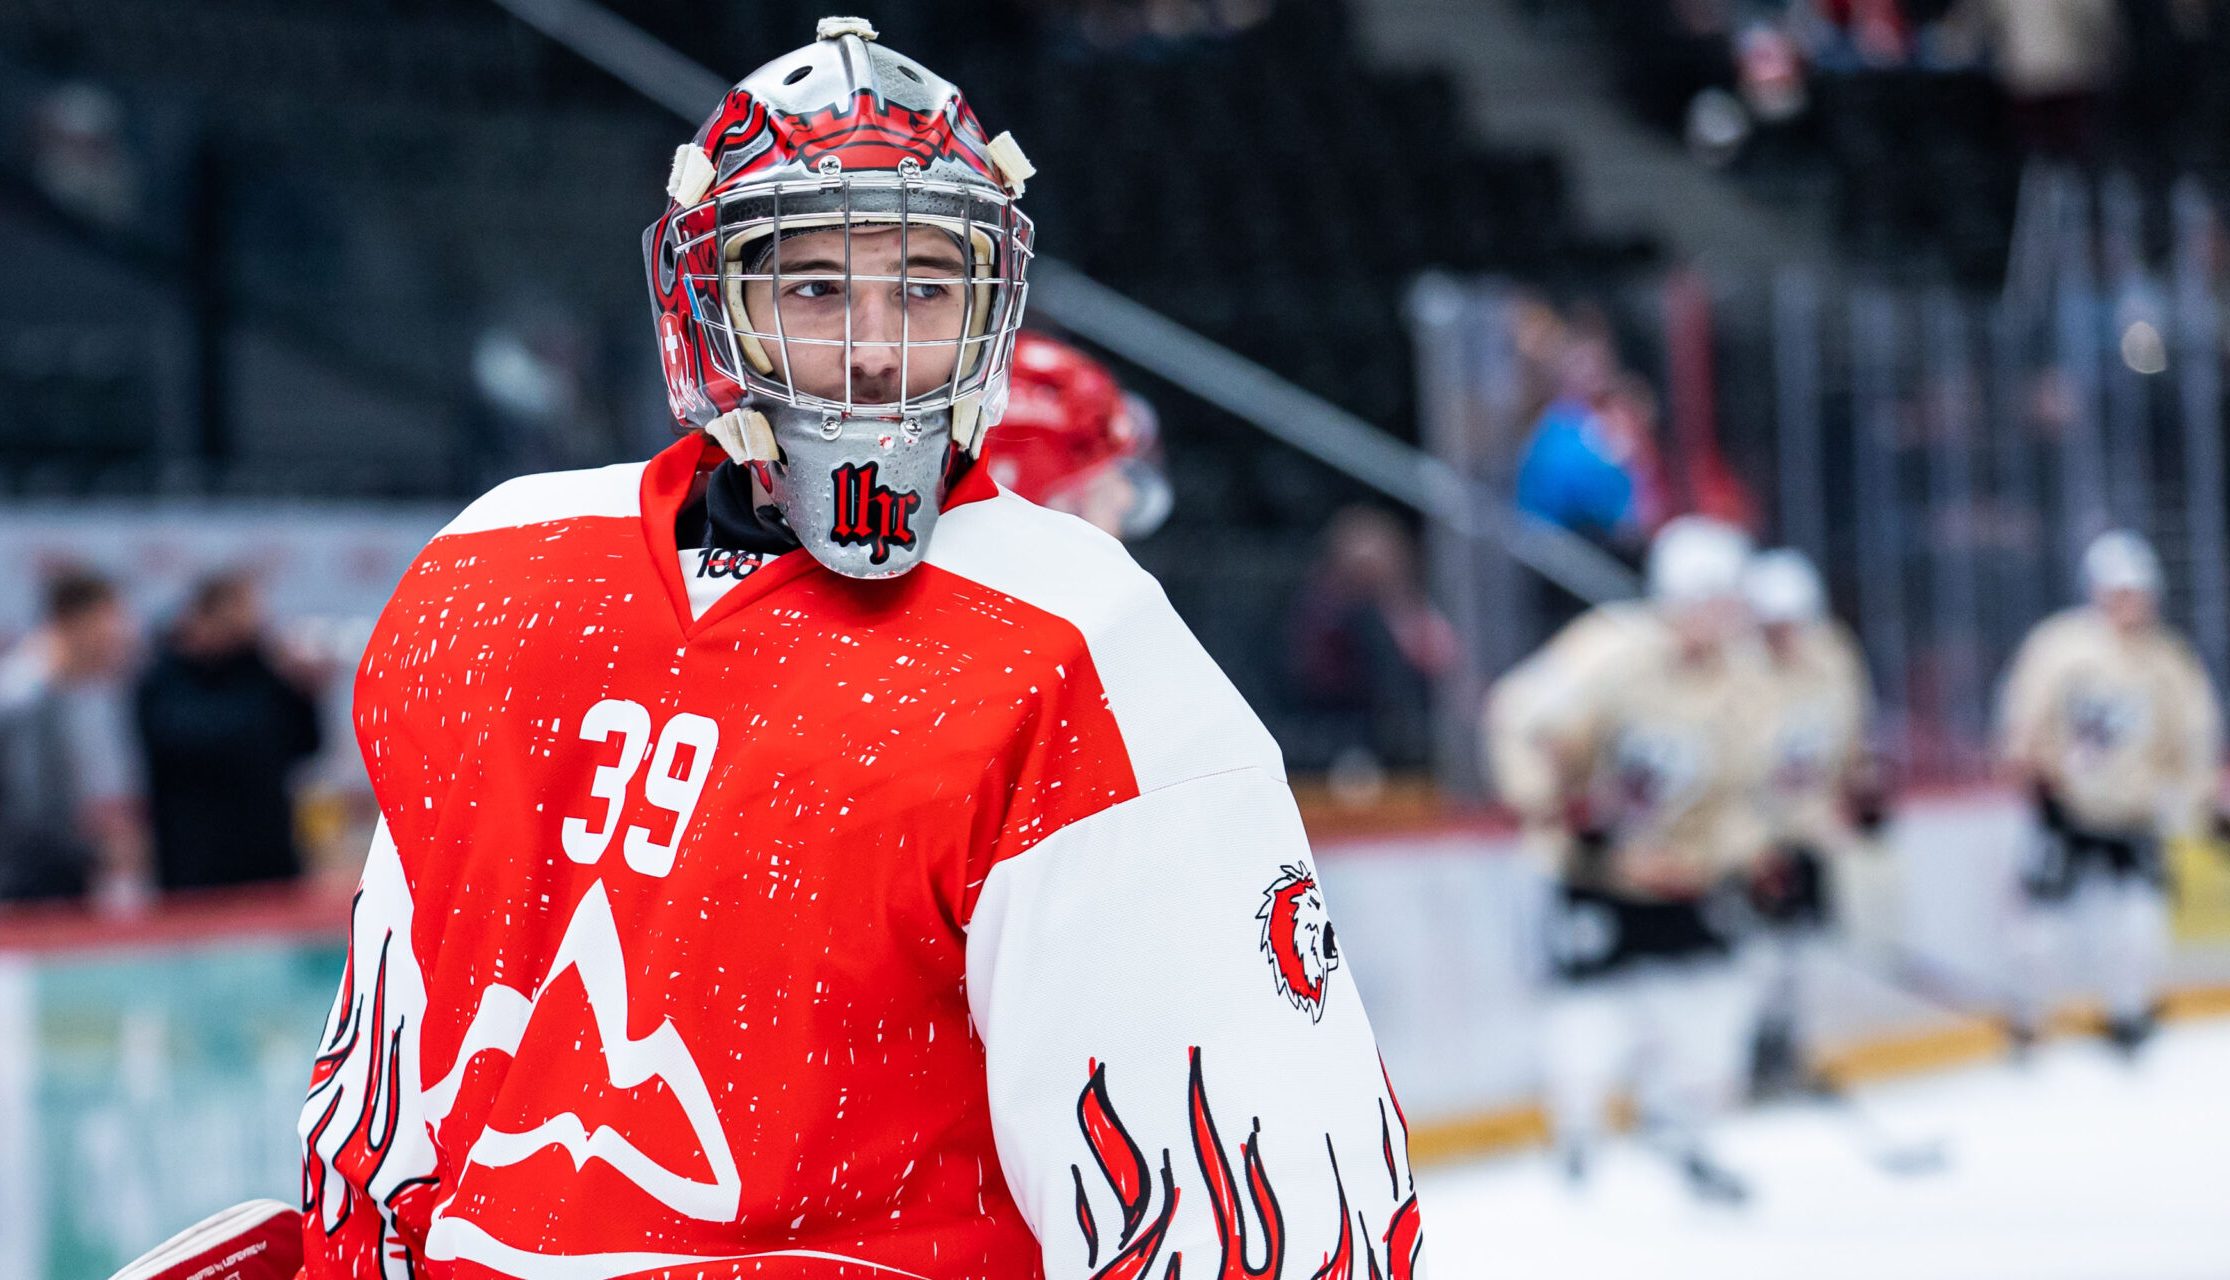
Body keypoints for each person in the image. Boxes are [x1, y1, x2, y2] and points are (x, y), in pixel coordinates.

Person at [295, 19, 1422, 1279]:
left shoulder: (1072, 639)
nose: (876, 351)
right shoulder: (494, 571)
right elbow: (390, 1108)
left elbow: (1246, 1217)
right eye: (817, 287)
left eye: (926, 288)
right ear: (706, 307)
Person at [1484, 515, 1772, 1203]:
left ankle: (1679, 1127)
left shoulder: (1744, 679)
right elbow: (1518, 718)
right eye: (1720, 595)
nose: (1731, 611)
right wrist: (1549, 801)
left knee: (1713, 1006)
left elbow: (1738, 795)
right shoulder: (1610, 648)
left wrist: (1736, 859)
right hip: (1593, 873)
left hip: (1678, 876)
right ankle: (1577, 1138)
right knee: (1587, 1016)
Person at [1995, 529, 2219, 1055]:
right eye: (2118, 591)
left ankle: (2128, 1013)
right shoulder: (2059, 647)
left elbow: (2191, 742)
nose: (2129, 603)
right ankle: (2027, 1020)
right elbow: (2022, 716)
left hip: (2133, 817)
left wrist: (2202, 804)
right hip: (2065, 814)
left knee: (2139, 932)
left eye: (2137, 592)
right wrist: (2030, 769)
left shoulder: (2168, 662)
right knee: (2039, 937)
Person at [1739, 548, 1878, 1093]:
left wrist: (1860, 787)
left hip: (1810, 832)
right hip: (1749, 839)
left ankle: (1789, 1053)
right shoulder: (1736, 673)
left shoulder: (1833, 663)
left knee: (1803, 953)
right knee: (1755, 957)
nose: (1782, 635)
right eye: (1771, 624)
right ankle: (1748, 1056)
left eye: (1791, 622)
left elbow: (1849, 736)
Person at [134, 572, 321, 891]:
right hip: (196, 864)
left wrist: (306, 694)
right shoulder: (164, 678)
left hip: (269, 856)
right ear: (211, 614)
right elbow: (193, 745)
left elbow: (305, 746)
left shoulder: (264, 671)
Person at [0, 568, 147, 905]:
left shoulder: (59, 690)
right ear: (77, 622)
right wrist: (99, 852)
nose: (122, 638)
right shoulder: (25, 695)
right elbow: (30, 816)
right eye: (111, 623)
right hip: (29, 896)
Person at [1289, 506, 1459, 778]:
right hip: (1344, 737)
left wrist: (1396, 602)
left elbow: (1445, 661)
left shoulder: (1409, 603)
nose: (1369, 574)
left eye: (1379, 561)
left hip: (1414, 737)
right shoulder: (1329, 612)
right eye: (1360, 566)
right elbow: (1322, 677)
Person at [984, 330, 1173, 540]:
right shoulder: (1097, 427)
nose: (1117, 502)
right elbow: (1021, 361)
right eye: (1126, 502)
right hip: (965, 380)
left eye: (1123, 515)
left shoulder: (1033, 521)